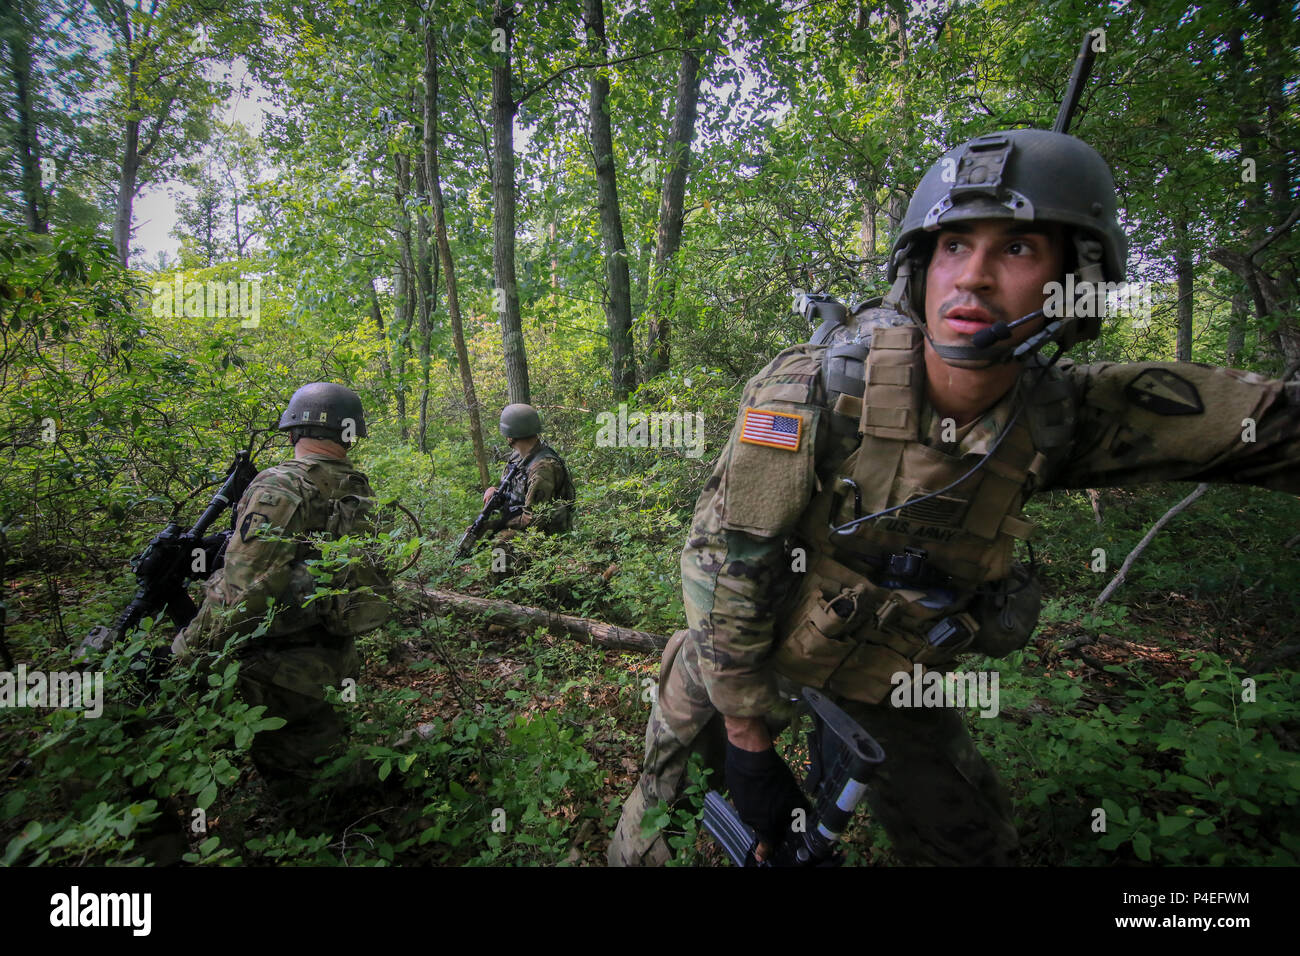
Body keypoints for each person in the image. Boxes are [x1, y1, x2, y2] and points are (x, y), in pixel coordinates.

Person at [608, 128, 1300, 866]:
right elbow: (724, 563)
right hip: (743, 654)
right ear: (921, 267)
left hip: (880, 676)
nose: (972, 278)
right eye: (954, 245)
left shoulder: (1058, 417)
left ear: (1076, 280)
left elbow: (1257, 423)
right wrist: (747, 741)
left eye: (1019, 249)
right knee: (659, 826)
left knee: (968, 843)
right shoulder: (815, 389)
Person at [172, 382, 392, 806]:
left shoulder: (280, 486)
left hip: (279, 675)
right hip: (333, 658)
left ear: (293, 428)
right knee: (324, 757)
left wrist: (183, 657)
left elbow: (243, 591)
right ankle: (357, 809)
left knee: (308, 794)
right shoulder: (356, 487)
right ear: (350, 434)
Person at [482, 403, 575, 541]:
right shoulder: (518, 457)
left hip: (547, 538)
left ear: (510, 435)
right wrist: (494, 490)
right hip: (526, 526)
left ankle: (501, 562)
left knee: (502, 544)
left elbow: (532, 521)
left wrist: (493, 526)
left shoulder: (542, 469)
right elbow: (511, 492)